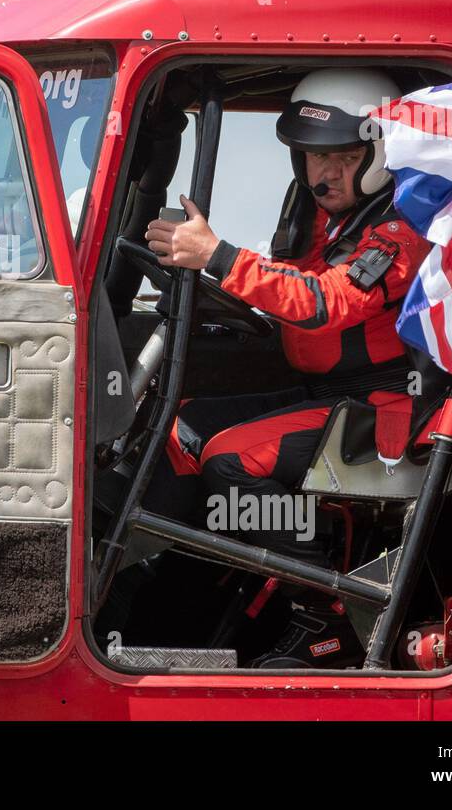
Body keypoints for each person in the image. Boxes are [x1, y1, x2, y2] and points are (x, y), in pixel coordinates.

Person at [142, 68, 433, 669]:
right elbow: (286, 286)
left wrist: (218, 256)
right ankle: (178, 578)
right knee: (178, 428)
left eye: (343, 157)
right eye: (309, 157)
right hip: (323, 394)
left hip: (390, 411)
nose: (320, 174)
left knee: (230, 460)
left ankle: (327, 612)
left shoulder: (403, 228)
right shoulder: (322, 215)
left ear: (380, 150)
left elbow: (326, 303)